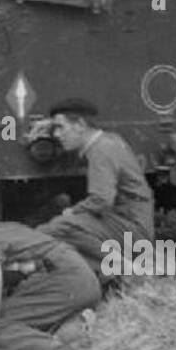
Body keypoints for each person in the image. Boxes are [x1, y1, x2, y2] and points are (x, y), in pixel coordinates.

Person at [35, 98, 155, 284]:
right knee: (54, 231)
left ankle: (129, 271)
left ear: (81, 125)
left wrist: (72, 212)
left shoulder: (101, 151)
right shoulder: (109, 140)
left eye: (61, 127)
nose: (57, 135)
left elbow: (101, 200)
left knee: (61, 227)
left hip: (133, 228)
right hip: (132, 222)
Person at [0, 221, 102, 350]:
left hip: (64, 282)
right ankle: (75, 326)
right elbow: (27, 266)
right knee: (31, 324)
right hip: (87, 282)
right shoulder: (19, 231)